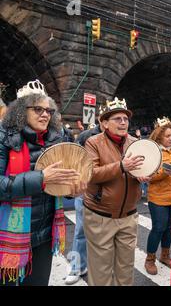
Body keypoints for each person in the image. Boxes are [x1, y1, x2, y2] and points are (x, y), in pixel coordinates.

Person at [0, 79, 83, 285]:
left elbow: (63, 182)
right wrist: (42, 178)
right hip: (9, 236)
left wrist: (73, 189)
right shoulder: (3, 137)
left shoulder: (57, 139)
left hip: (44, 236)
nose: (45, 114)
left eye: (49, 110)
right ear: (20, 110)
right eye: (38, 109)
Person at [83, 97, 150, 286]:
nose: (123, 122)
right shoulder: (93, 142)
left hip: (129, 216)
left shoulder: (135, 142)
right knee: (101, 272)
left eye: (126, 119)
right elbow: (90, 174)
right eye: (117, 119)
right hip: (100, 215)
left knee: (126, 270)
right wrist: (121, 166)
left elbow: (144, 169)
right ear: (104, 123)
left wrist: (144, 175)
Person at [65, 106, 106, 285]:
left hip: (109, 194)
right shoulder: (86, 136)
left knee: (105, 234)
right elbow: (73, 159)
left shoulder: (123, 139)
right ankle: (76, 268)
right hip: (86, 191)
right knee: (81, 231)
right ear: (101, 120)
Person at [144, 117, 171, 276]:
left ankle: (165, 255)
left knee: (169, 228)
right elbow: (149, 175)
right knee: (158, 228)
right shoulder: (154, 151)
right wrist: (165, 172)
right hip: (157, 197)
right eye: (168, 136)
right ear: (159, 137)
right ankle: (150, 259)